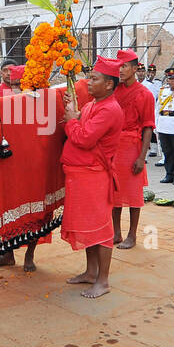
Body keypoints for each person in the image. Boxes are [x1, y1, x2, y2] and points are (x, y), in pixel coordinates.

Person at [61, 58, 124, 299]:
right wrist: (74, 112)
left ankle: (103, 280)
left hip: (94, 175)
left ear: (109, 84)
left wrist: (70, 122)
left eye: (94, 78)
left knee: (101, 230)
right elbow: (82, 119)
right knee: (89, 228)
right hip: (81, 174)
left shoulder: (109, 109)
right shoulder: (95, 104)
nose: (89, 82)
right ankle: (90, 272)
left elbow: (85, 138)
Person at [111, 50, 154, 248]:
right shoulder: (113, 89)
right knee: (114, 191)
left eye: (124, 66)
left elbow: (148, 127)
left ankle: (132, 235)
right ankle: (116, 232)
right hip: (114, 146)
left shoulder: (144, 94)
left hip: (133, 147)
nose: (120, 70)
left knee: (134, 194)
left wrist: (141, 157)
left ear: (135, 69)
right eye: (118, 66)